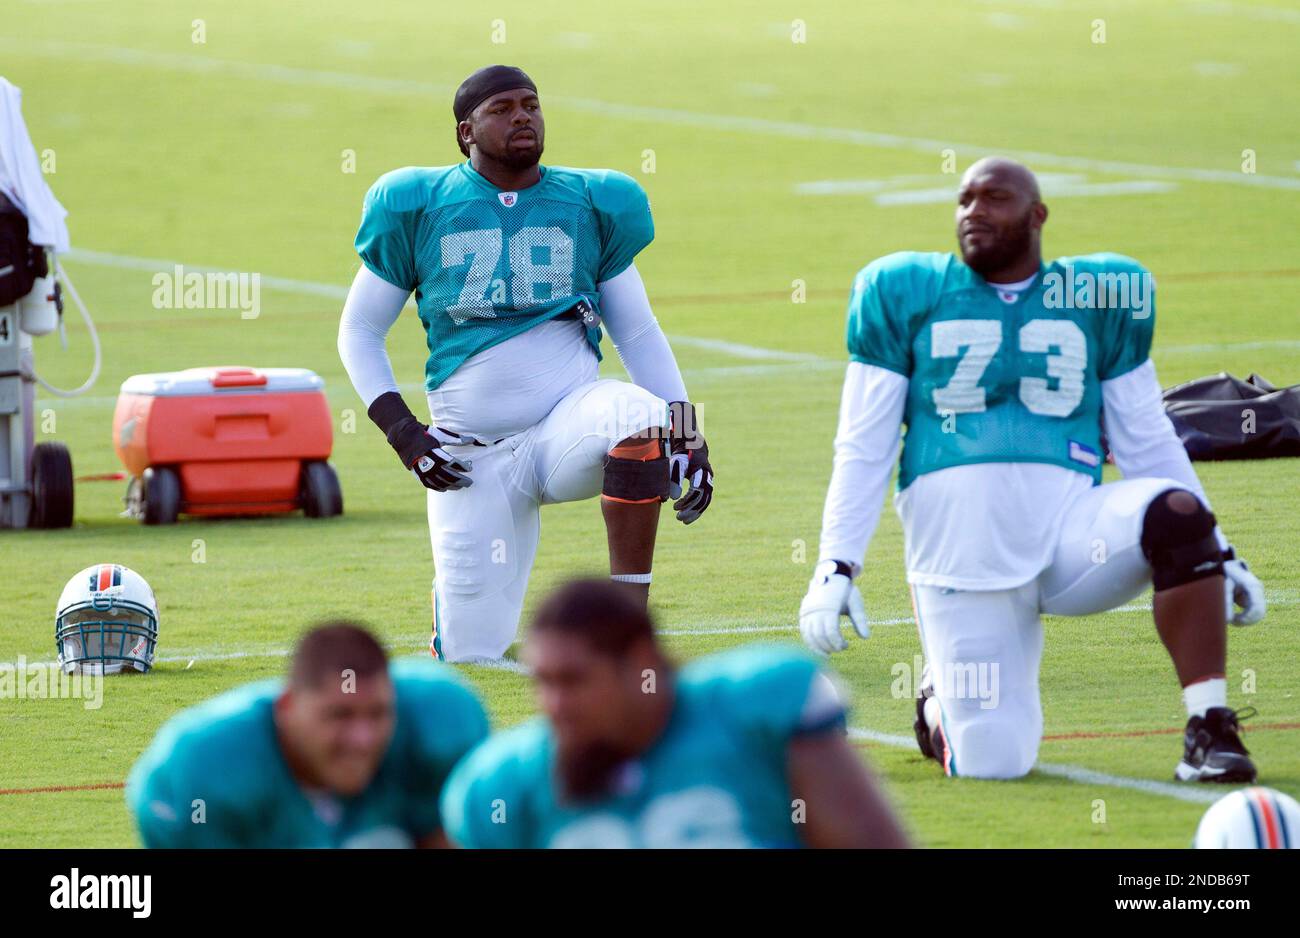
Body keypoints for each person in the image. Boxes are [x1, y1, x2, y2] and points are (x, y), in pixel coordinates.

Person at [799, 157, 1266, 782]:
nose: (973, 211)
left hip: (1074, 536)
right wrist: (837, 563)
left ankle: (1209, 730)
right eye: (964, 199)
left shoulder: (1098, 296)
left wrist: (1219, 546)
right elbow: (863, 446)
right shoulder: (903, 291)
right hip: (961, 555)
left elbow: (1146, 438)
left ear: (1038, 215)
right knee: (995, 762)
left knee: (1175, 515)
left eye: (994, 197)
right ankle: (938, 701)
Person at [338, 65, 713, 664]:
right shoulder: (417, 203)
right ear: (466, 132)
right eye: (502, 108)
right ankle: (460, 627)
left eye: (531, 104)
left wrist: (689, 435)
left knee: (642, 420)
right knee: (471, 655)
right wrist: (404, 433)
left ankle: (626, 636)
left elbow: (638, 333)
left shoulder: (591, 201)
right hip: (470, 455)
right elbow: (359, 332)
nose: (522, 117)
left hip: (568, 424)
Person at [441, 579, 909, 848]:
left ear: (641, 662)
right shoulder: (503, 784)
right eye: (543, 682)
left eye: (574, 680)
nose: (554, 706)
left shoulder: (754, 712)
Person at [126, 622, 488, 847]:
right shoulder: (202, 773)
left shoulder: (438, 725)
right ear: (287, 708)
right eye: (339, 716)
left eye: (378, 714)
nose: (362, 739)